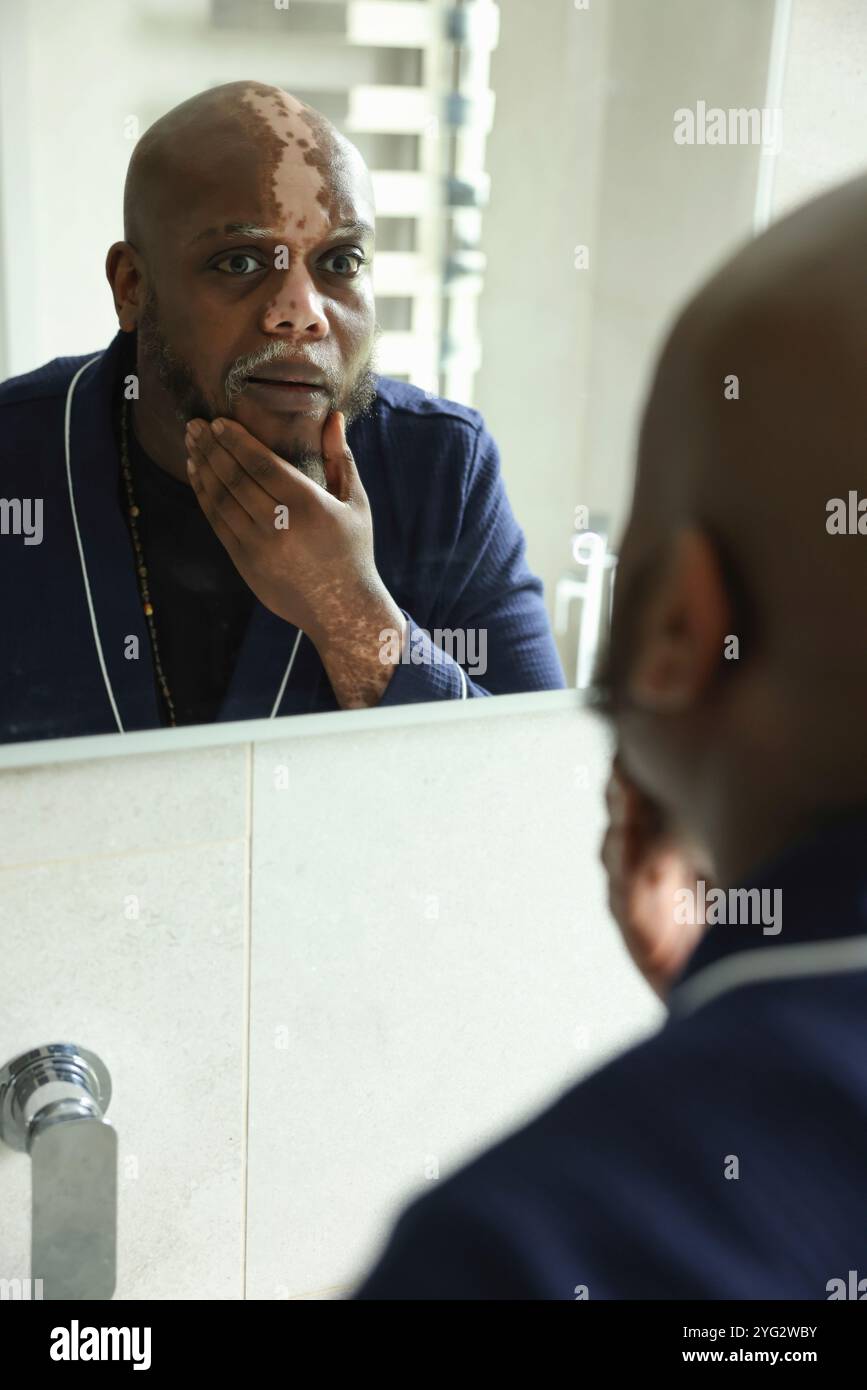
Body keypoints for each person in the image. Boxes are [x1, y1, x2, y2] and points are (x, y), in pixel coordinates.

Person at [353, 173, 867, 1299]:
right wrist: (727, 1001)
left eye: (341, 261)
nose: (299, 309)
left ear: (680, 623)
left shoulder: (529, 1257)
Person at [0, 81, 564, 744]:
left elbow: (543, 798)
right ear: (132, 288)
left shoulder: (441, 468)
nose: (301, 312)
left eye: (340, 262)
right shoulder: (19, 456)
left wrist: (348, 611)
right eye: (239, 261)